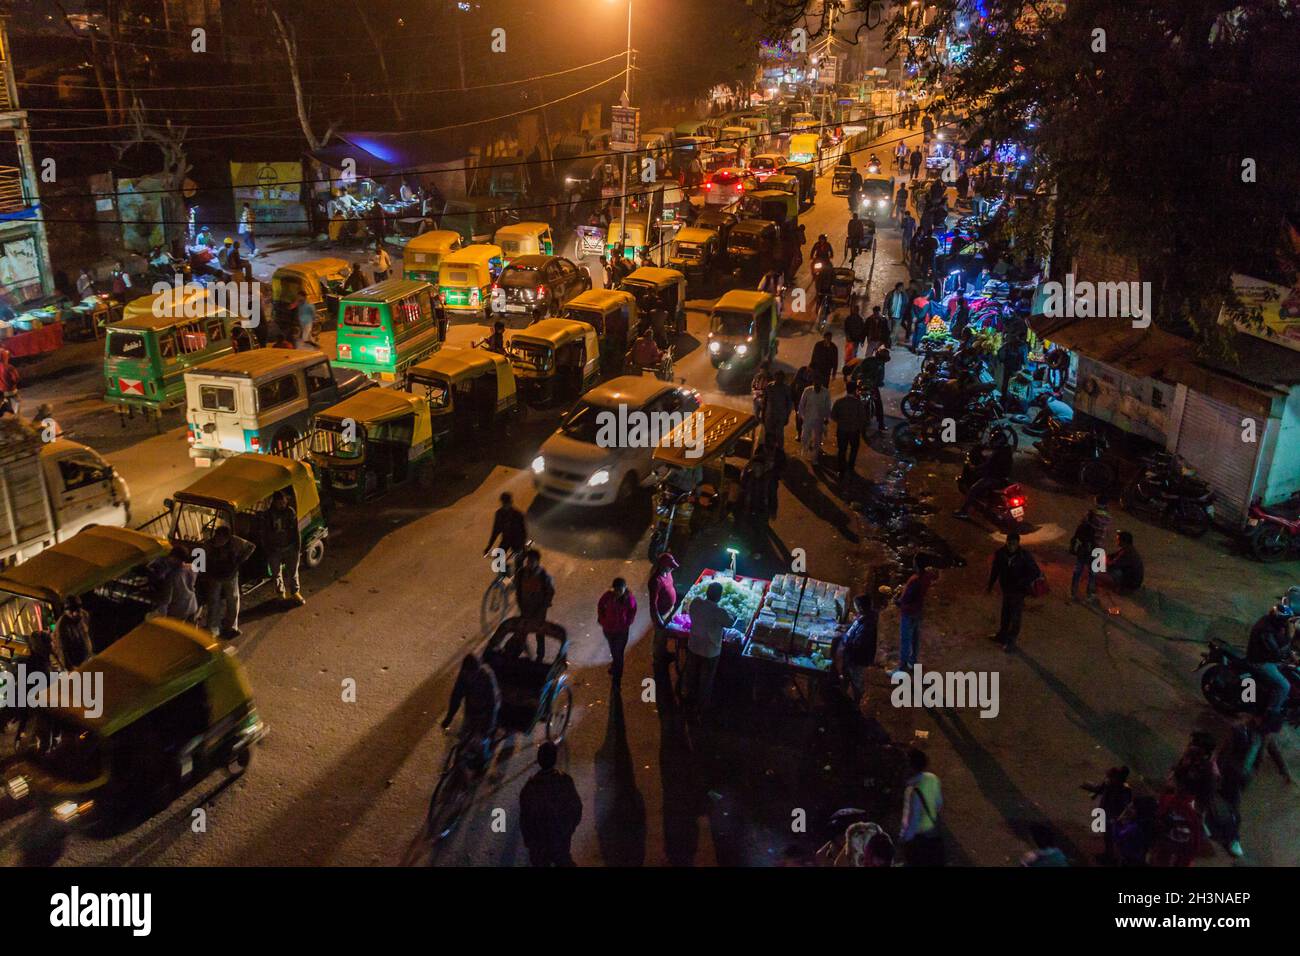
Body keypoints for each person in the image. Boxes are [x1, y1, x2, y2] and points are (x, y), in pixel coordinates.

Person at [519, 741, 583, 866]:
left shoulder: (529, 787)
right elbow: (576, 808)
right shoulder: (565, 781)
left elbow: (525, 818)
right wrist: (569, 829)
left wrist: (529, 841)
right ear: (555, 760)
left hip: (538, 844)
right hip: (560, 838)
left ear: (538, 760)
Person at [682, 581, 741, 713]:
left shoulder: (696, 603)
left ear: (707, 592)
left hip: (694, 646)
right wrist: (731, 614)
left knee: (691, 674)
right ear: (719, 597)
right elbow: (730, 623)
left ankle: (687, 700)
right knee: (706, 680)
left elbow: (690, 611)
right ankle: (702, 707)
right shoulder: (719, 612)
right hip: (710, 651)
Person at [441, 653, 501, 771]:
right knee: (464, 737)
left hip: (486, 710)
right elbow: (456, 696)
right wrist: (449, 717)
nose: (469, 678)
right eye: (467, 674)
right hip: (471, 709)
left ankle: (484, 760)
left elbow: (493, 705)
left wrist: (487, 729)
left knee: (481, 742)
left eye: (472, 675)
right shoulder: (463, 675)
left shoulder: (487, 676)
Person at [987, 532, 1043, 650]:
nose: (1011, 546)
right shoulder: (1001, 553)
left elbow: (1036, 572)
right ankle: (1002, 635)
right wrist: (990, 585)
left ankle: (1011, 640)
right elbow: (995, 570)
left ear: (1018, 543)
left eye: (1013, 543)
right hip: (1007, 589)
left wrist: (1023, 582)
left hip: (1018, 591)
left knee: (1015, 616)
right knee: (1005, 613)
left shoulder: (1024, 556)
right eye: (1009, 543)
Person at [837, 588, 889, 705]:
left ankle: (856, 703)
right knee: (848, 675)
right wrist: (845, 629)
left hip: (858, 658)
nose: (855, 609)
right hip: (854, 656)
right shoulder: (864, 618)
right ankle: (844, 696)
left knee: (856, 680)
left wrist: (846, 642)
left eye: (856, 606)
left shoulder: (867, 625)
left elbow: (859, 643)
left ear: (860, 607)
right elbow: (854, 628)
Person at [202, 525, 255, 638]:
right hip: (214, 577)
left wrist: (240, 560)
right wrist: (204, 574)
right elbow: (201, 560)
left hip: (231, 576)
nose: (219, 541)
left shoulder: (235, 542)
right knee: (213, 602)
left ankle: (231, 627)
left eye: (222, 539)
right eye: (218, 538)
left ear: (227, 538)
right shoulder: (208, 545)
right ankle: (212, 628)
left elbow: (251, 547)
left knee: (233, 600)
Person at [1246, 603, 1295, 722]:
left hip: (1267, 657)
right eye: (1286, 620)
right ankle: (1271, 714)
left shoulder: (1271, 623)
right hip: (1260, 661)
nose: (1288, 623)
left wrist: (1291, 656)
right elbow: (1276, 652)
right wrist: (1290, 636)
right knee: (1284, 686)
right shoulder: (1265, 630)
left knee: (1290, 671)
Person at [899, 748, 944, 866]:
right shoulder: (932, 778)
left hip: (919, 838)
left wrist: (904, 838)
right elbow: (939, 803)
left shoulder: (912, 791)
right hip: (933, 831)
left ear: (911, 768)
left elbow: (912, 821)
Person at [955, 433, 1014, 518]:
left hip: (994, 478)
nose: (992, 443)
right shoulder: (1006, 450)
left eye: (994, 441)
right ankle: (988, 509)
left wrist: (975, 468)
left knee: (973, 490)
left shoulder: (999, 452)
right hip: (1003, 477)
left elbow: (988, 464)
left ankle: (964, 512)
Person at [895, 555, 938, 671]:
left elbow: (907, 598)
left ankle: (902, 666)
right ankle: (912, 661)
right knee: (915, 638)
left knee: (905, 640)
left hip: (908, 612)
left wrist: (898, 600)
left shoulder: (915, 580)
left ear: (917, 564)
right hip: (918, 610)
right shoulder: (927, 576)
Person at [1082, 765, 1132, 864]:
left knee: (1112, 837)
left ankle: (1112, 857)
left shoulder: (1124, 790)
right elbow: (1099, 789)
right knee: (1106, 836)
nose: (1107, 778)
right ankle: (1108, 855)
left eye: (1110, 777)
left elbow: (1125, 806)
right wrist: (1088, 786)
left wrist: (1119, 818)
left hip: (1113, 816)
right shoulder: (1110, 783)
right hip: (1105, 812)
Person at [263, 490, 304, 606]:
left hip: (290, 547)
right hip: (274, 549)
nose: (282, 505)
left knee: (293, 572)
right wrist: (268, 549)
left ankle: (295, 592)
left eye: (283, 502)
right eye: (279, 503)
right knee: (276, 574)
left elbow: (296, 530)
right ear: (275, 502)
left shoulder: (290, 512)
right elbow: (265, 533)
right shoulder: (268, 515)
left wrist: (297, 547)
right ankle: (280, 593)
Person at [1069, 497, 1111, 601]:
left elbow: (1081, 526)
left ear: (1096, 502)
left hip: (1086, 546)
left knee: (1078, 569)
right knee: (1093, 572)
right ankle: (1089, 594)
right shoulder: (1108, 517)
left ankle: (1073, 592)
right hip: (1099, 548)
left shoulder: (1090, 514)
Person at [597, 577, 637, 684]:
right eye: (616, 590)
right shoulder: (608, 596)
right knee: (614, 650)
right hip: (609, 629)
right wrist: (602, 619)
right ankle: (616, 667)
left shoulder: (629, 598)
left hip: (621, 631)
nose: (618, 593)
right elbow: (600, 605)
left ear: (624, 588)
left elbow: (632, 611)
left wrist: (627, 622)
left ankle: (617, 675)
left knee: (618, 652)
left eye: (620, 590)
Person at [515, 549, 555, 652]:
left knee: (539, 633)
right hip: (525, 608)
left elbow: (549, 593)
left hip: (539, 610)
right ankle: (519, 650)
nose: (529, 563)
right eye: (528, 561)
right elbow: (518, 590)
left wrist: (542, 608)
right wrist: (520, 604)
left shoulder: (543, 576)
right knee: (523, 630)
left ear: (537, 562)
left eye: (532, 561)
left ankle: (540, 654)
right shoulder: (521, 573)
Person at [152, 545, 199, 623]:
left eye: (171, 557)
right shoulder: (192, 567)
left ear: (176, 559)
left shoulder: (172, 576)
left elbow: (166, 600)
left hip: (178, 611)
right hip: (192, 605)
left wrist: (161, 618)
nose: (169, 559)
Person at [830, 382, 867, 478]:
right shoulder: (858, 403)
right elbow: (862, 418)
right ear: (855, 390)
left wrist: (841, 421)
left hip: (842, 429)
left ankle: (841, 470)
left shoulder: (839, 402)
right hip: (854, 430)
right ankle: (851, 467)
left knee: (842, 450)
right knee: (854, 449)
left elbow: (833, 416)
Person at [484, 491, 528, 562]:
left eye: (506, 503)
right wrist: (489, 546)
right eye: (504, 503)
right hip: (506, 540)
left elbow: (524, 531)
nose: (505, 505)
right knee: (498, 562)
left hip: (517, 541)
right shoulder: (499, 514)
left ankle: (519, 570)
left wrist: (522, 545)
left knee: (519, 563)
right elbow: (495, 531)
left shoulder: (518, 515)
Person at [797, 379, 830, 461]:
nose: (817, 385)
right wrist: (801, 416)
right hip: (807, 418)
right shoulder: (807, 390)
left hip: (819, 419)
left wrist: (826, 418)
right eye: (816, 383)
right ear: (813, 383)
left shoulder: (825, 392)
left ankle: (814, 458)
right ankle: (805, 451)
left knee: (817, 439)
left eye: (819, 383)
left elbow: (828, 406)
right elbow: (802, 404)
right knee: (805, 437)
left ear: (821, 383)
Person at [762, 370, 794, 447]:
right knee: (768, 433)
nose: (779, 379)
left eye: (781, 378)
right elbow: (765, 401)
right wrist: (763, 414)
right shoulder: (769, 387)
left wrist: (787, 416)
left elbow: (789, 404)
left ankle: (780, 450)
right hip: (770, 414)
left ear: (783, 378)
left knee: (779, 434)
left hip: (780, 415)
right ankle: (768, 449)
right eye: (777, 377)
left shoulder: (786, 389)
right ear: (774, 377)